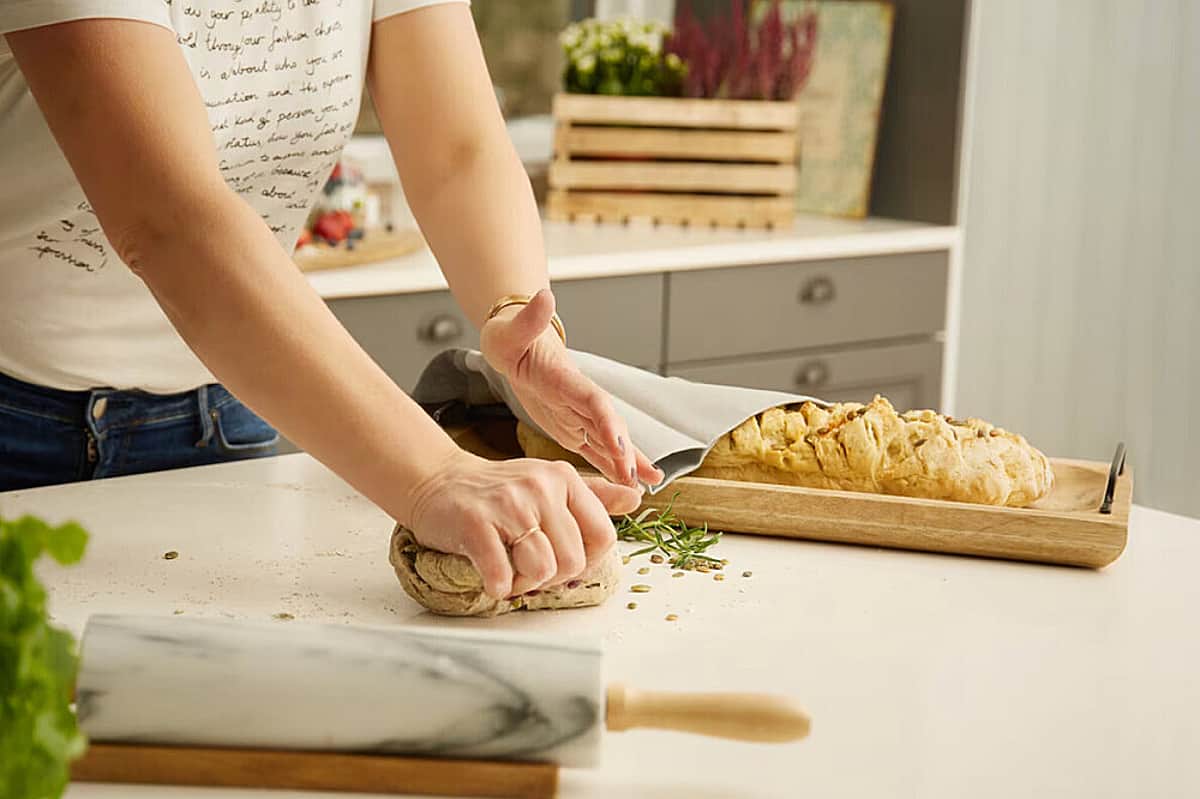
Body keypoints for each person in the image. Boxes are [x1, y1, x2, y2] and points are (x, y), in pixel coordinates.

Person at [0, 0, 663, 600]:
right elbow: (168, 221)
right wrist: (433, 475)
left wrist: (515, 314)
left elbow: (456, 150)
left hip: (226, 409)